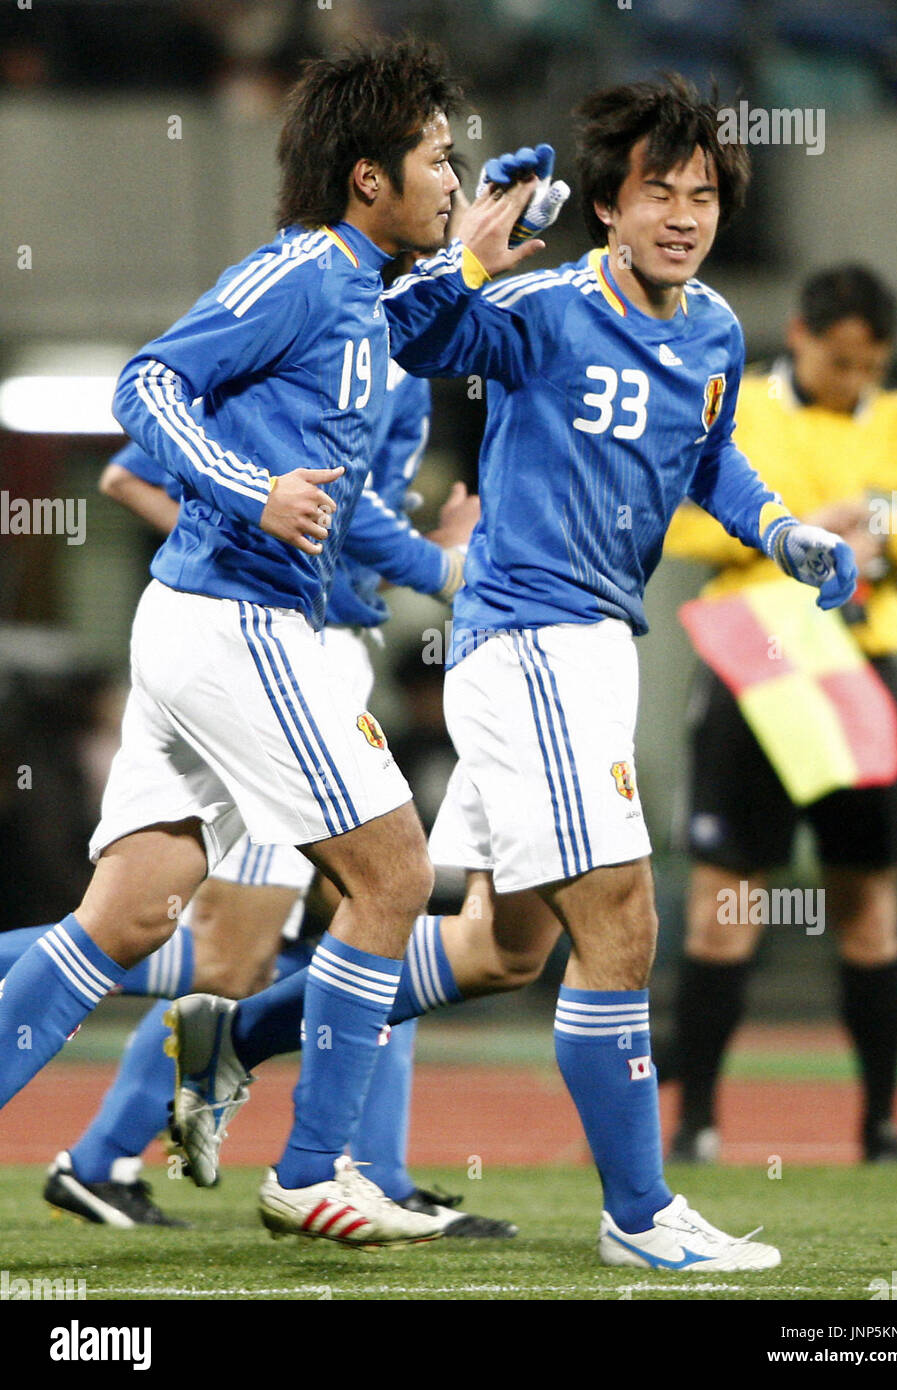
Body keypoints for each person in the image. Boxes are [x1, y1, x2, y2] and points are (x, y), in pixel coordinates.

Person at [168, 77, 860, 1271]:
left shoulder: (713, 332)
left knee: (505, 946)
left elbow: (712, 457)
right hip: (530, 636)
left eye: (702, 195)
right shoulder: (540, 309)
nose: (683, 214)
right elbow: (411, 332)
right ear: (606, 203)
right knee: (627, 920)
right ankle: (640, 1214)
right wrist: (478, 254)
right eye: (658, 192)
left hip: (595, 644)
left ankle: (234, 1036)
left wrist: (783, 529)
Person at [0, 36, 544, 1248]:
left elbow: (407, 324)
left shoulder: (366, 291)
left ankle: (171, 1139)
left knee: (134, 915)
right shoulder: (300, 269)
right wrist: (252, 491)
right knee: (396, 878)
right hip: (240, 622)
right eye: (437, 160)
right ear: (366, 178)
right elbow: (144, 387)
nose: (452, 179)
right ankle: (315, 1172)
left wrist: (475, 256)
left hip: (217, 626)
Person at [41, 377, 514, 1237]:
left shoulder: (384, 350)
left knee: (360, 917)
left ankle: (370, 1170)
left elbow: (343, 517)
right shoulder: (317, 332)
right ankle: (116, 1151)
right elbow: (126, 472)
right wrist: (433, 566)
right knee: (233, 952)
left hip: (314, 650)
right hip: (273, 661)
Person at [660, 264, 897, 1165]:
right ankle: (697, 1124)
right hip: (759, 667)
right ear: (799, 334)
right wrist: (791, 528)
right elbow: (677, 520)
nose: (852, 381)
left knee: (868, 900)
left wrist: (890, 526)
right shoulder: (736, 405)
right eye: (838, 361)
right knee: (725, 899)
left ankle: (880, 1127)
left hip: (860, 669)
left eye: (868, 366)